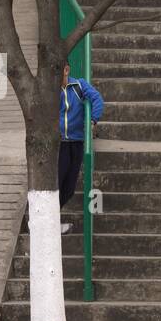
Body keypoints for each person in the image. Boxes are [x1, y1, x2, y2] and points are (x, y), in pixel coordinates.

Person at [57, 63, 104, 234]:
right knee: (57, 184)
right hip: (59, 143)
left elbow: (97, 99)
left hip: (76, 141)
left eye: (58, 69)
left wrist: (93, 120)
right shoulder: (50, 90)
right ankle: (47, 222)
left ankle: (50, 221)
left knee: (68, 188)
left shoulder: (79, 85)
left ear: (67, 70)